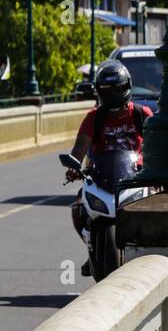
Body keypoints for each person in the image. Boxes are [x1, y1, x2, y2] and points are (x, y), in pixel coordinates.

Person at [65, 59, 152, 275]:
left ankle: (152, 254)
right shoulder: (93, 118)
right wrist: (74, 166)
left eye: (118, 88)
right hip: (101, 178)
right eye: (107, 89)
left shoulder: (142, 114)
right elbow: (79, 149)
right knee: (77, 207)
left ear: (127, 87)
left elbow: (158, 145)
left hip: (136, 178)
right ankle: (90, 248)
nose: (113, 93)